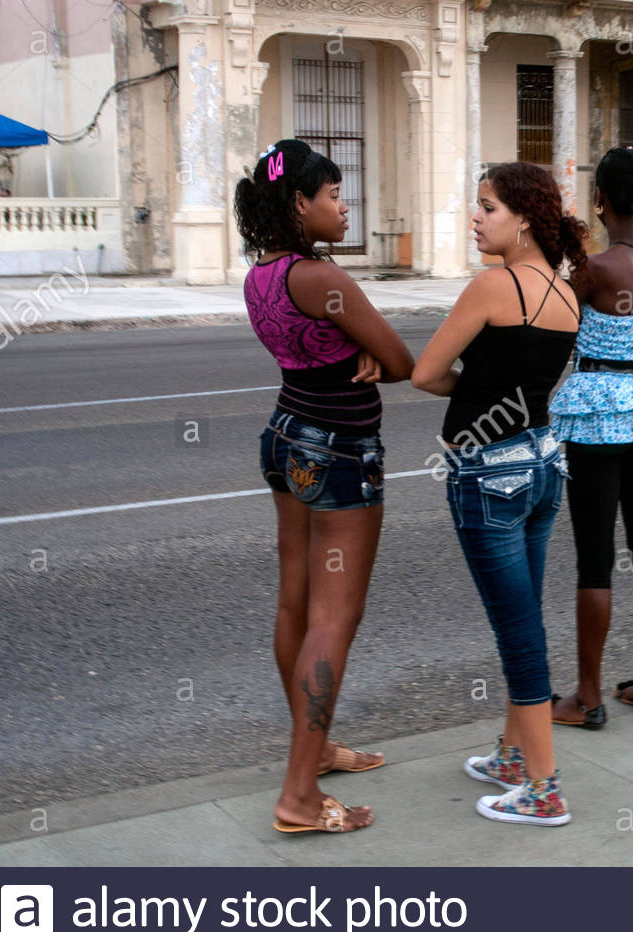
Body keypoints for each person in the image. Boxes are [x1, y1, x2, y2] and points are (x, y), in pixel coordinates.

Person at [234, 139, 414, 834]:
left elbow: (321, 349)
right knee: (334, 621)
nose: (344, 206)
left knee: (296, 608)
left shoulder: (263, 276)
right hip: (340, 455)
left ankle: (317, 749)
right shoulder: (321, 279)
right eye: (334, 195)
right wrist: (370, 347)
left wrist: (355, 345)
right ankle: (299, 797)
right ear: (299, 204)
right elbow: (400, 361)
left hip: (286, 441)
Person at [412, 162, 584, 826]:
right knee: (526, 618)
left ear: (524, 218)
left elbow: (427, 373)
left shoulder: (491, 287)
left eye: (487, 207)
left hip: (489, 474)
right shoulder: (569, 297)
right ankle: (514, 757)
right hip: (543, 467)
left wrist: (475, 393)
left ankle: (544, 790)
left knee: (518, 634)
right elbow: (533, 389)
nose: (476, 218)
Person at [548, 146, 633, 731]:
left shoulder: (594, 271)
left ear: (599, 198)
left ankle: (588, 696)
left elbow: (555, 324)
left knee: (595, 558)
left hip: (597, 413)